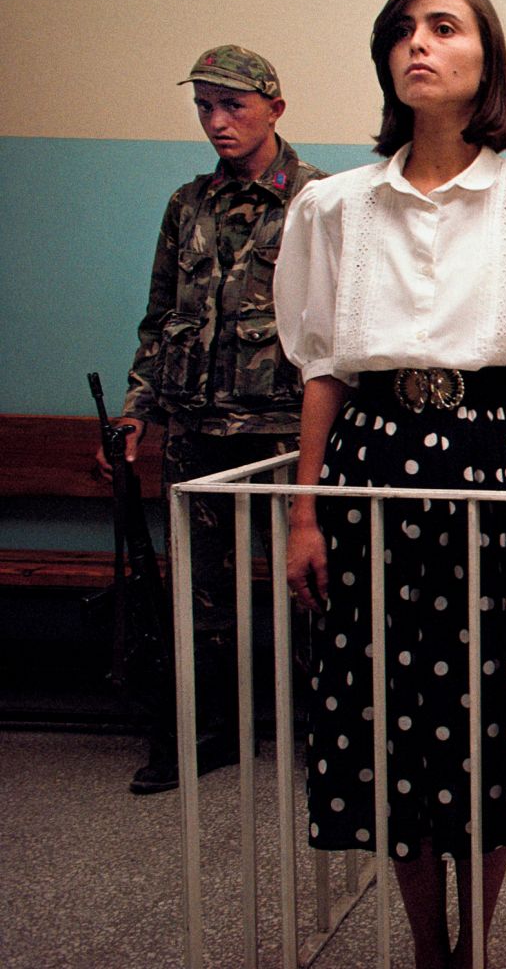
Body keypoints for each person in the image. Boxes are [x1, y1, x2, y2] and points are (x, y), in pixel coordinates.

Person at [275, 0, 506, 969]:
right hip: (371, 468)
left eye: (443, 27)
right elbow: (323, 370)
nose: (418, 45)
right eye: (401, 32)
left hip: (498, 465)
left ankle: (477, 946)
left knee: (494, 725)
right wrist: (305, 515)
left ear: (485, 58)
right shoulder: (332, 209)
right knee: (392, 730)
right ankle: (431, 951)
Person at [98, 45, 324, 795]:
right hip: (196, 432)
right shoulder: (186, 204)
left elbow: (339, 332)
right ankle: (211, 731)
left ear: (274, 108)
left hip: (288, 431)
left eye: (232, 105)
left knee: (310, 589)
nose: (217, 122)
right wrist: (137, 413)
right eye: (204, 107)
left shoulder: (321, 201)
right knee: (201, 597)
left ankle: (327, 736)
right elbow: (161, 317)